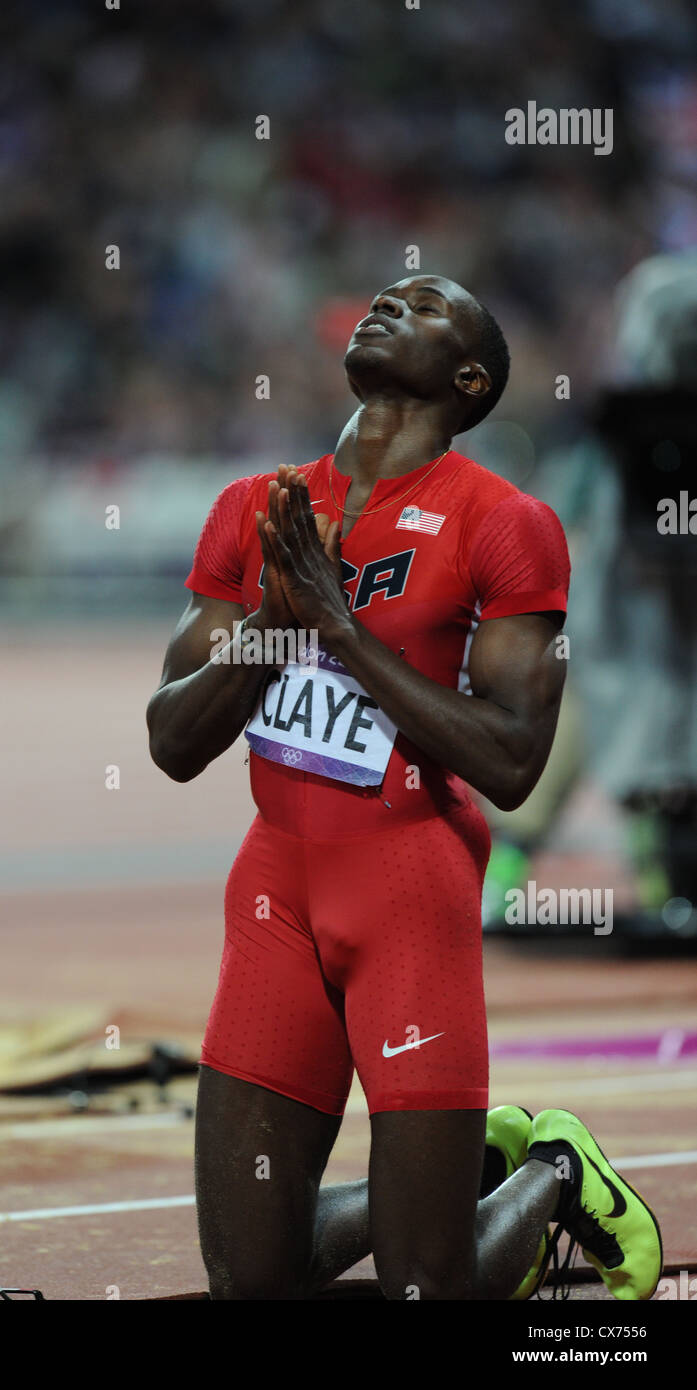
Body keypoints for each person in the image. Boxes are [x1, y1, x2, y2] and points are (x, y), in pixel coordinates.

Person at [146, 275, 663, 1300]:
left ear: (467, 377)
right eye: (387, 293)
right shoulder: (254, 510)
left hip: (409, 894)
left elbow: (514, 760)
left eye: (425, 304)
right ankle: (452, 1179)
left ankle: (554, 1172)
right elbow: (171, 737)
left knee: (427, 1283)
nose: (390, 301)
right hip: (273, 896)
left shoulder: (505, 525)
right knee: (251, 1278)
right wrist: (277, 625)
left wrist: (340, 630)